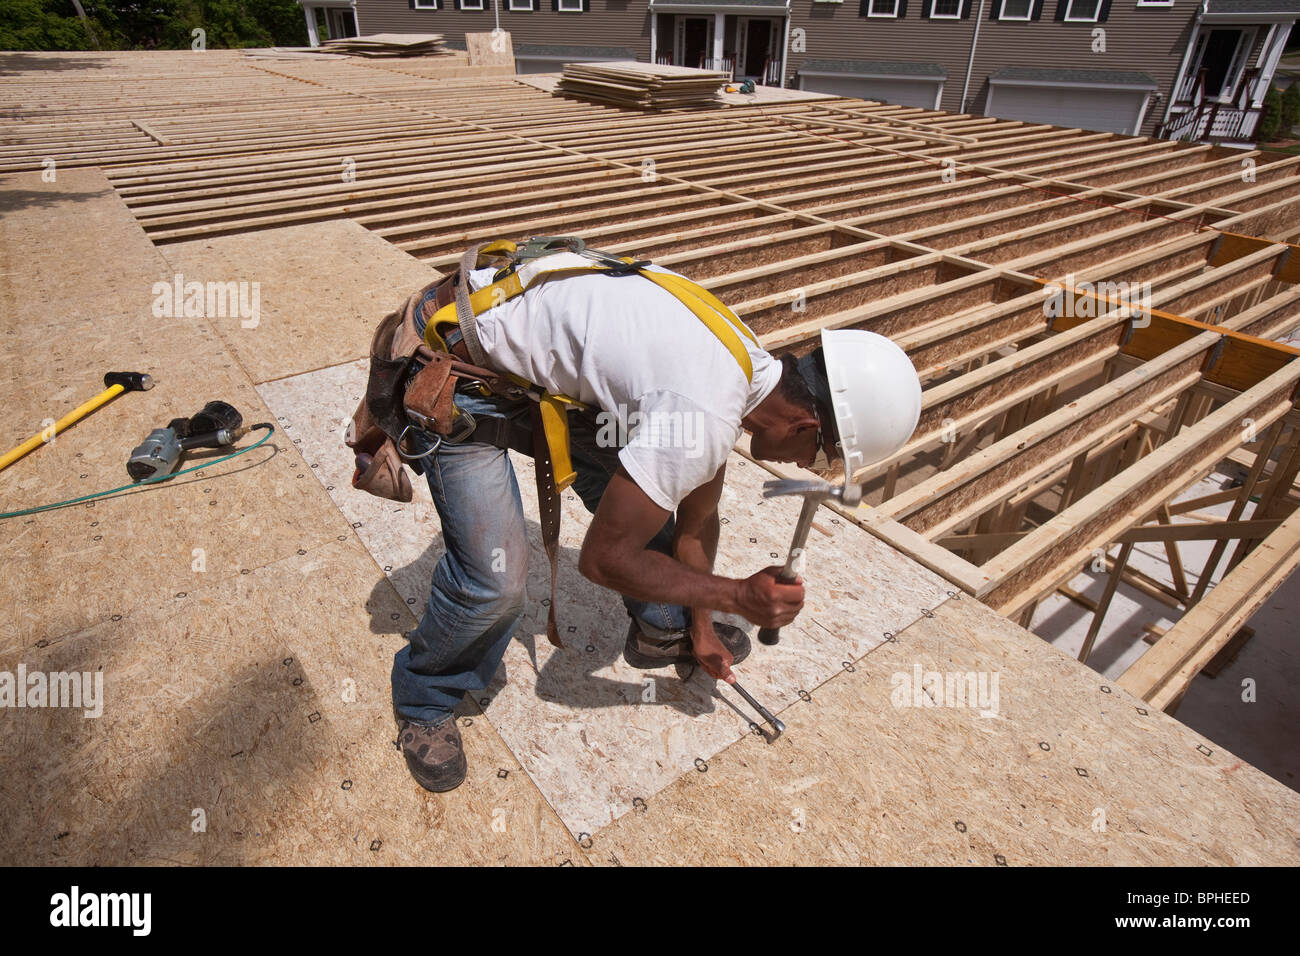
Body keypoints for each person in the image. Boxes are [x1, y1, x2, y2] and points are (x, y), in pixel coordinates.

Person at [384, 244, 921, 793]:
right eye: (822, 453)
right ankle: (426, 697)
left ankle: (665, 628)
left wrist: (704, 624)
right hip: (454, 370)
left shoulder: (748, 364)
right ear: (805, 423)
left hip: (524, 363)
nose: (808, 465)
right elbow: (601, 559)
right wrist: (736, 595)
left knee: (651, 499)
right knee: (495, 583)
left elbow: (697, 516)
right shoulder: (706, 412)